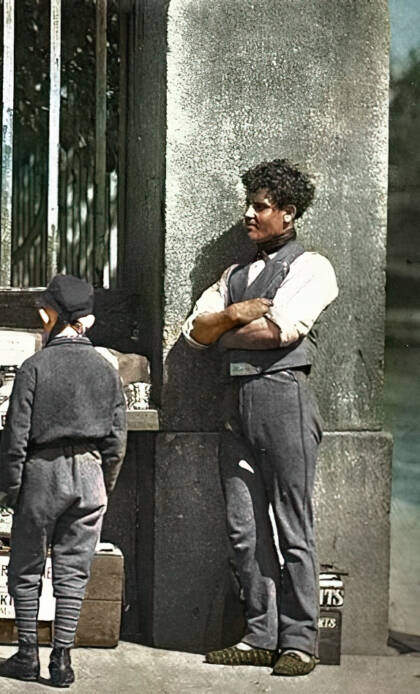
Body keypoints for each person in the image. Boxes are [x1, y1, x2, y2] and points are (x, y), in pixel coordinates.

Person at [182, 159, 338, 676]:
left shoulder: (312, 267)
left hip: (283, 398)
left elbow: (281, 331)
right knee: (243, 528)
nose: (249, 214)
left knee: (293, 525)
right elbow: (192, 334)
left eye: (262, 206)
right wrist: (233, 315)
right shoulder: (234, 276)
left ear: (289, 214)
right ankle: (259, 634)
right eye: (249, 203)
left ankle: (299, 642)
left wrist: (220, 334)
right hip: (235, 407)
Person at [0, 274, 127, 687]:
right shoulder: (107, 370)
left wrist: (12, 487)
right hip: (90, 475)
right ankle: (62, 661)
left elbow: (15, 436)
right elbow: (117, 440)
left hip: (42, 473)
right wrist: (104, 483)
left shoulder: (34, 367)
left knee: (27, 566)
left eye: (43, 312)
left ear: (51, 316)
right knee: (74, 569)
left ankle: (27, 655)